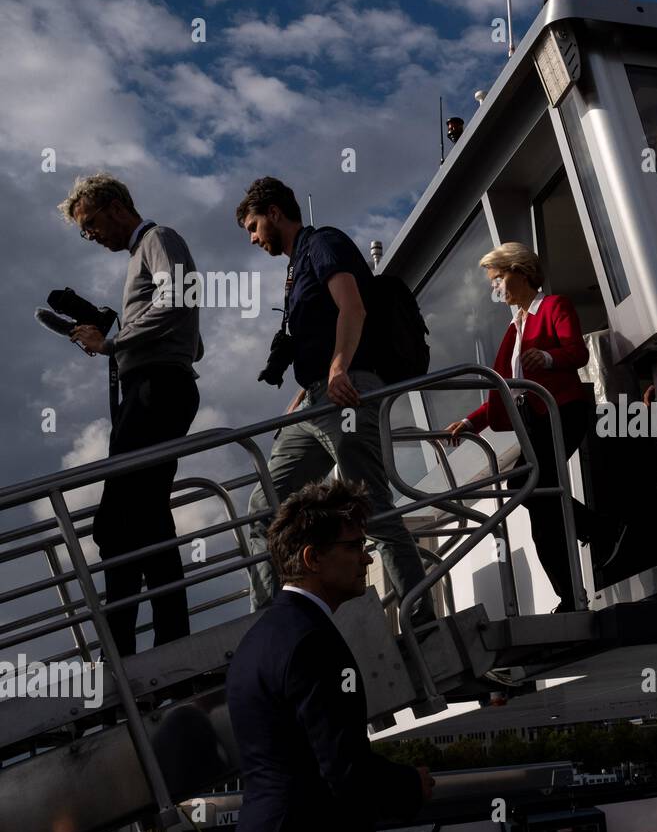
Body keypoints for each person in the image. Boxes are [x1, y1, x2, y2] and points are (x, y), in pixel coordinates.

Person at [235, 177, 433, 623]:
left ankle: (423, 619)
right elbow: (317, 335)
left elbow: (353, 307)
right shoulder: (294, 270)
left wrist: (340, 366)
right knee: (262, 507)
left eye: (252, 226)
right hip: (314, 402)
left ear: (274, 213)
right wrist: (303, 393)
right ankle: (272, 619)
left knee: (373, 510)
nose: (252, 238)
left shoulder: (323, 243)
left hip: (346, 392)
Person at [226, 478, 432, 832]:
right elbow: (344, 770)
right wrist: (409, 784)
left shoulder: (256, 641)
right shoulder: (313, 643)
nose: (367, 558)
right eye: (354, 547)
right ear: (312, 558)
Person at [59, 174, 204, 657]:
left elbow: (179, 299)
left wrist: (116, 341)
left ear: (117, 206)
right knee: (142, 517)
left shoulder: (158, 239)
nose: (91, 236)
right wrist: (120, 336)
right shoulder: (142, 256)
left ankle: (127, 652)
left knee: (120, 521)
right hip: (151, 388)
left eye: (91, 224)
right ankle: (162, 645)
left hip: (157, 391)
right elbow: (192, 337)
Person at [445, 243, 625, 613]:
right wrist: (469, 422)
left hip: (564, 412)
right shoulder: (515, 327)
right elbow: (506, 387)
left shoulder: (554, 307)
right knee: (542, 516)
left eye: (497, 280)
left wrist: (546, 356)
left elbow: (578, 353)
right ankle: (569, 597)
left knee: (522, 485)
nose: (495, 289)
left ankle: (601, 530)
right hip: (533, 419)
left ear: (519, 271)